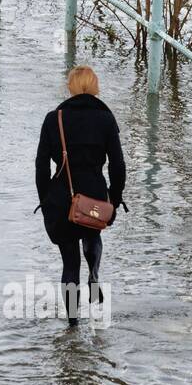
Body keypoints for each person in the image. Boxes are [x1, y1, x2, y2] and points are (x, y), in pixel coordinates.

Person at [34, 65, 127, 325]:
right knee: (92, 232)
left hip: (62, 199)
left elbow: (41, 166)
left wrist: (45, 200)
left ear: (71, 87)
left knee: (69, 263)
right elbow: (118, 165)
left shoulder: (55, 119)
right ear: (95, 86)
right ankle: (94, 272)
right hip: (95, 198)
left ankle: (72, 325)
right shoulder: (106, 119)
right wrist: (114, 198)